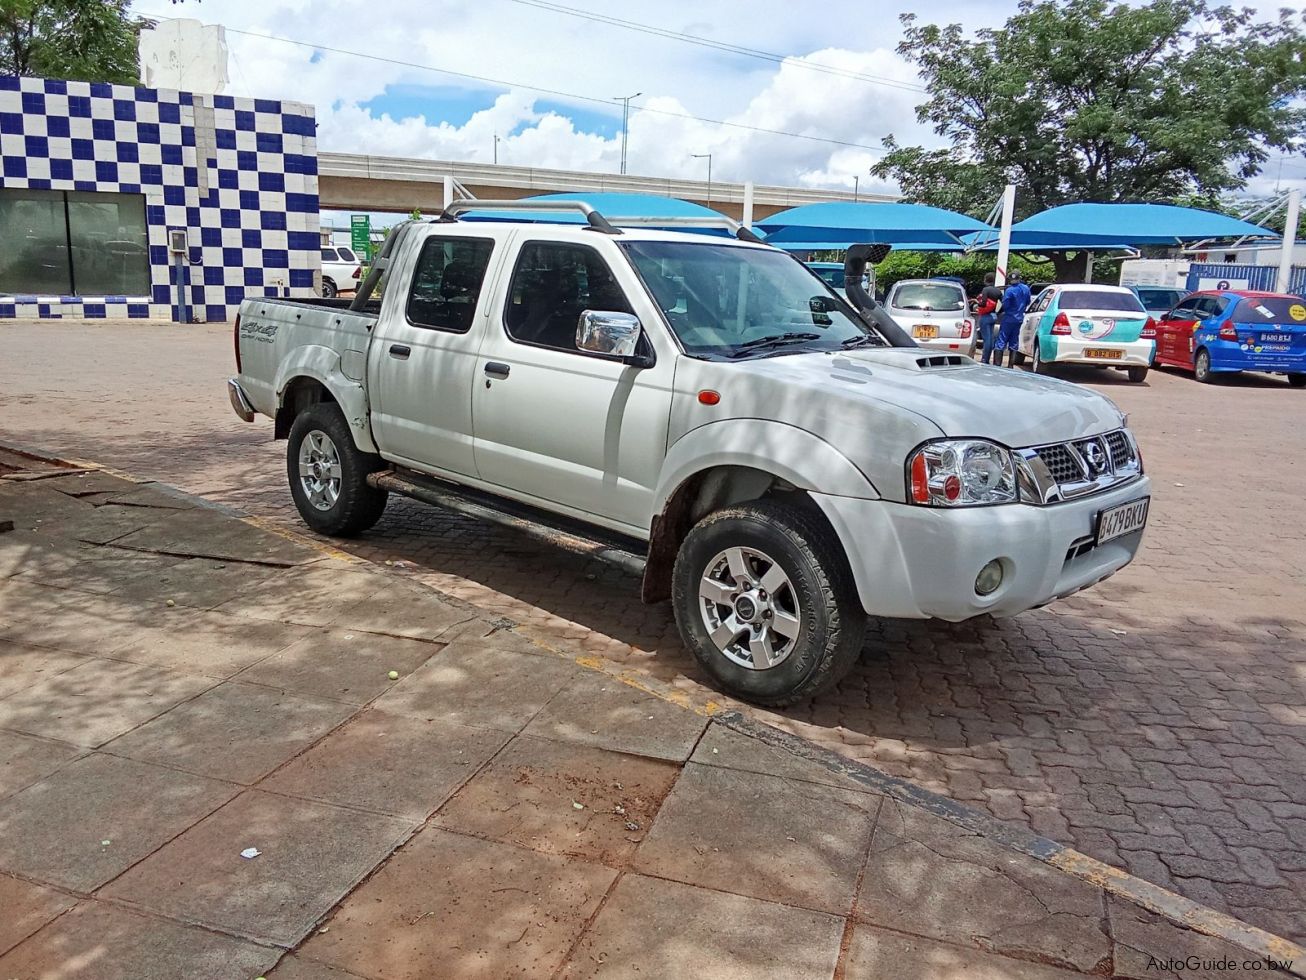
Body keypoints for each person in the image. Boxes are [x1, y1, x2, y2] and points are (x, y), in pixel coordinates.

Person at [994, 271, 1032, 367]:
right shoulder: (1026, 288)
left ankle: (997, 365)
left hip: (1008, 318)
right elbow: (1028, 301)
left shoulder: (1010, 290)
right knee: (1014, 341)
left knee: (1001, 340)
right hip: (1019, 318)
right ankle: (1010, 365)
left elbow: (1005, 304)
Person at [974, 273, 1003, 364]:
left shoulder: (985, 290)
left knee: (986, 339)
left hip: (985, 316)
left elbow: (983, 303)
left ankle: (985, 359)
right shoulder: (998, 291)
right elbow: (1004, 302)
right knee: (990, 338)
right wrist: (999, 312)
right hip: (993, 316)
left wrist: (976, 303)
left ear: (986, 279)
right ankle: (987, 358)